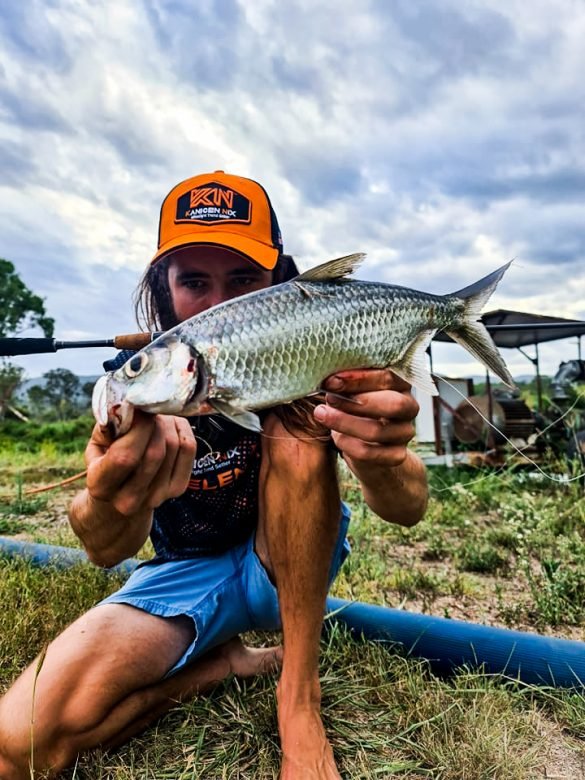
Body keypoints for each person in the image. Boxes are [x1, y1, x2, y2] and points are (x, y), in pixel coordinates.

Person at [0, 171, 428, 779]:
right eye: (194, 282)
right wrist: (108, 500)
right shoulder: (137, 382)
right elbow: (103, 549)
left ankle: (297, 698)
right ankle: (225, 664)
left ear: (279, 283)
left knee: (300, 435)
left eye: (244, 279)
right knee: (24, 743)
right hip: (182, 580)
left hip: (284, 566)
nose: (219, 305)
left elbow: (408, 506)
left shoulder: (311, 356)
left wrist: (383, 459)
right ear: (163, 290)